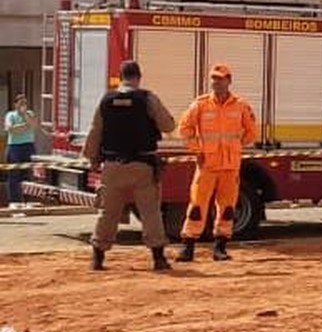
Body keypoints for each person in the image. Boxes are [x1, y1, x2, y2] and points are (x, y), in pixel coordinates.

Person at [82, 61, 175, 271]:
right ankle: (158, 259)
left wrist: (92, 159)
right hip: (142, 165)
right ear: (139, 77)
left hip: (113, 166)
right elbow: (168, 125)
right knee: (151, 212)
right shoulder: (147, 98)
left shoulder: (105, 100)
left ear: (120, 76)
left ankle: (97, 258)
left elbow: (95, 131)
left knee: (108, 213)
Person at [176, 62, 257, 262]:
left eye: (220, 79)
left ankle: (220, 248)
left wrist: (236, 147)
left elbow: (252, 132)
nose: (216, 83)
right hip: (207, 165)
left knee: (227, 207)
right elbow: (184, 129)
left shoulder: (241, 106)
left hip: (230, 166)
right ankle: (188, 247)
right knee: (197, 206)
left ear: (229, 81)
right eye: (213, 78)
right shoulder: (200, 105)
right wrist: (197, 149)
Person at [4, 92, 38, 208]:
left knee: (28, 173)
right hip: (14, 147)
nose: (24, 105)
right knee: (14, 174)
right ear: (15, 104)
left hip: (28, 146)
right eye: (21, 103)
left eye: (25, 103)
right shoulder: (10, 115)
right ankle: (14, 201)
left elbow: (33, 125)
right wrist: (25, 126)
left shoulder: (29, 113)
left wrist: (25, 117)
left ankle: (28, 200)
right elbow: (11, 129)